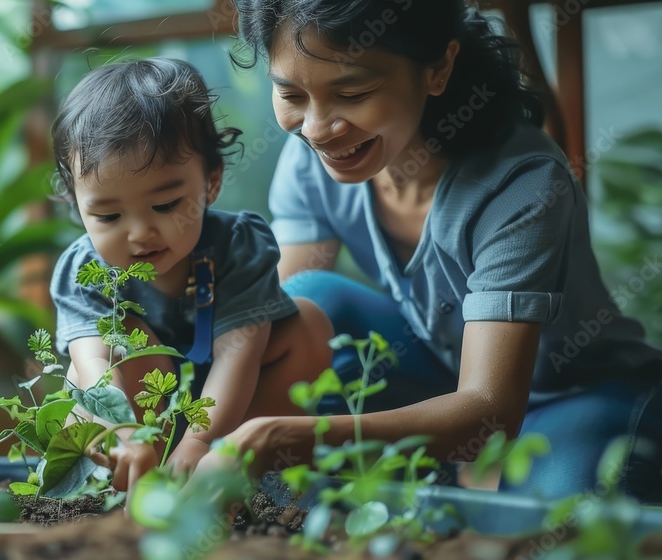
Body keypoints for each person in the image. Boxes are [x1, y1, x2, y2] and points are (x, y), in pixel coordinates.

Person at [197, 0, 662, 503]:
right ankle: (351, 490)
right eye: (291, 94)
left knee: (555, 509)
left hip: (575, 392)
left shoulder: (519, 185)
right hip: (441, 370)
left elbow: (489, 410)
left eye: (352, 93)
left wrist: (282, 438)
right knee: (302, 304)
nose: (316, 128)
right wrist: (197, 435)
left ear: (438, 68)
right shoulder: (313, 160)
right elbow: (274, 330)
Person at [48, 57, 335, 494]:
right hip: (131, 412)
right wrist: (123, 433)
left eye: (165, 206)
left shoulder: (237, 245)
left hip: (231, 404)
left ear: (211, 183)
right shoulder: (84, 270)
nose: (140, 233)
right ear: (76, 204)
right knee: (92, 370)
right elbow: (95, 365)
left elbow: (239, 353)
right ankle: (131, 483)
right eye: (108, 216)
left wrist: (200, 441)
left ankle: (247, 468)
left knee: (308, 325)